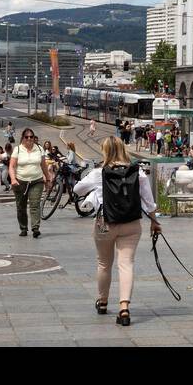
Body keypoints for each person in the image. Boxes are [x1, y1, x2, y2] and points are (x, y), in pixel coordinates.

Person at [73, 136, 161, 327]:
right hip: (131, 223)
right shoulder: (138, 173)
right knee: (126, 264)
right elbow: (149, 201)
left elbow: (77, 190)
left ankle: (103, 302)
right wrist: (154, 223)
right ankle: (124, 308)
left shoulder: (99, 173)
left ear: (105, 152)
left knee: (104, 263)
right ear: (123, 149)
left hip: (105, 223)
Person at [9, 129, 47, 238]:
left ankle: (35, 228)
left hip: (37, 181)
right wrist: (13, 179)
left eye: (31, 136)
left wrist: (48, 179)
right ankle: (23, 228)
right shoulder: (18, 149)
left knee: (35, 204)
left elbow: (43, 165)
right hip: (20, 182)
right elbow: (11, 166)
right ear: (23, 138)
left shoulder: (39, 149)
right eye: (27, 137)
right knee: (21, 207)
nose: (29, 139)